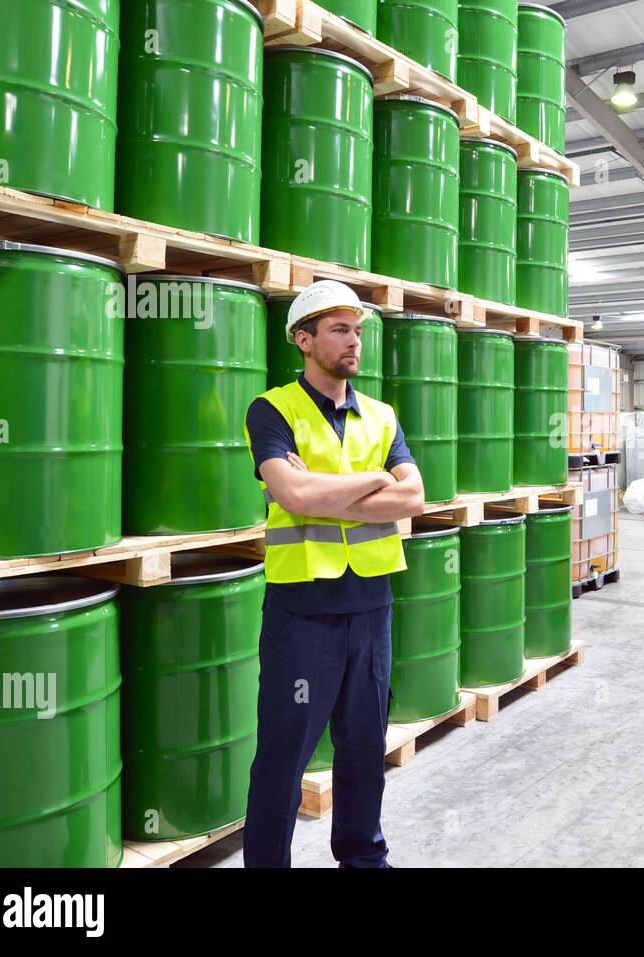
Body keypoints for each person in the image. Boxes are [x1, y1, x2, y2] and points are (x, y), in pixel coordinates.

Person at [242, 280, 424, 868]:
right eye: (340, 329)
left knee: (364, 750)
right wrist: (376, 478)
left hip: (371, 608)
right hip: (303, 612)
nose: (354, 342)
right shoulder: (272, 409)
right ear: (304, 339)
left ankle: (364, 859)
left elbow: (415, 497)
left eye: (358, 330)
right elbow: (290, 490)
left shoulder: (381, 415)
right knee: (283, 755)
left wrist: (327, 493)